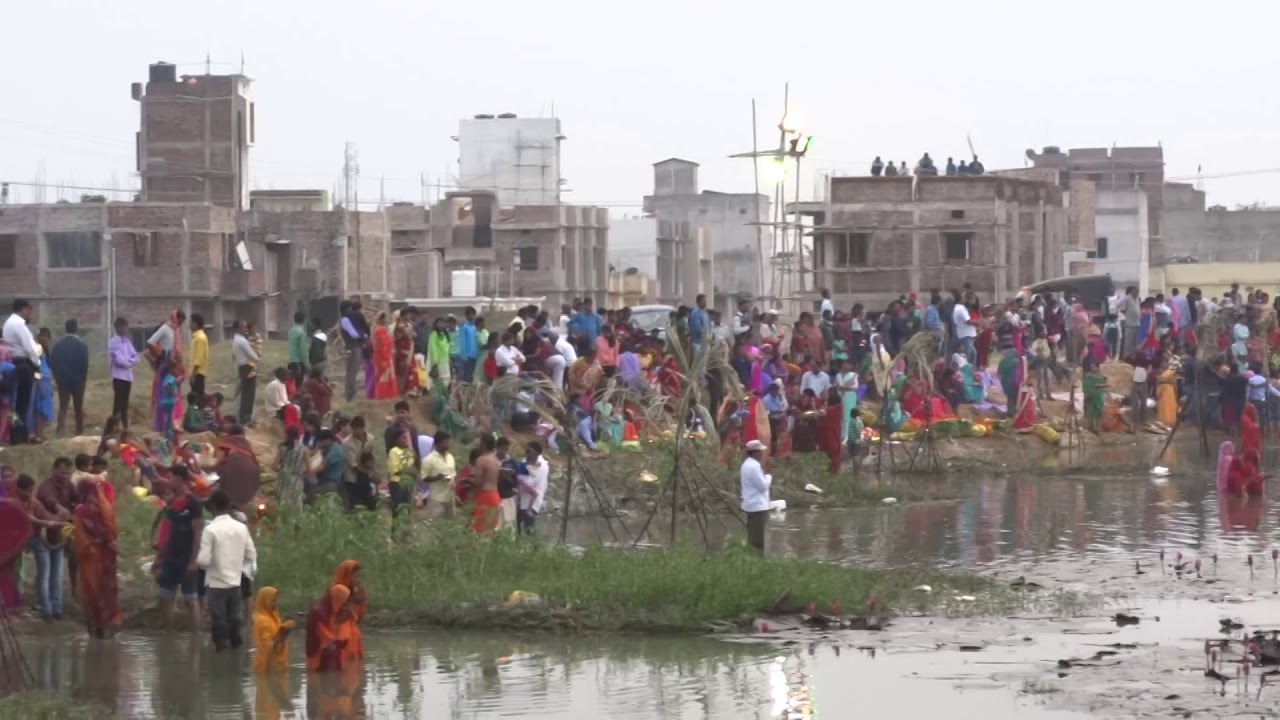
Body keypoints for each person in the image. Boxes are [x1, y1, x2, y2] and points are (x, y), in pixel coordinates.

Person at [197, 489, 257, 651]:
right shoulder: (241, 528)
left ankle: (221, 651)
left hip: (216, 582)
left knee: (218, 619)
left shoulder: (210, 530)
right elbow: (251, 554)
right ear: (228, 506)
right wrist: (237, 564)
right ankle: (237, 649)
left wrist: (208, 565)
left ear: (213, 507)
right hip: (235, 581)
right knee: (235, 617)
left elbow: (203, 560)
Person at [7, 474, 65, 615]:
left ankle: (52, 609)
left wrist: (61, 519)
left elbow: (45, 515)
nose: (29, 494)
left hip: (34, 539)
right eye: (26, 491)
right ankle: (44, 608)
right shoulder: (12, 502)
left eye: (31, 491)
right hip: (16, 542)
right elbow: (30, 519)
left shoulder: (33, 502)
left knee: (49, 574)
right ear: (18, 489)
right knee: (16, 574)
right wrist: (51, 523)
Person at [155, 468, 203, 631]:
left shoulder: (194, 503)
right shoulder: (172, 503)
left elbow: (198, 532)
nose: (169, 481)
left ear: (180, 479)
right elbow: (168, 530)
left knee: (190, 600)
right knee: (164, 596)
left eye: (171, 477)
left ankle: (195, 640)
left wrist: (194, 560)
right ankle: (168, 636)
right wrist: (160, 557)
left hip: (187, 557)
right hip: (170, 557)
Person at [4, 300, 40, 444]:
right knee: (23, 404)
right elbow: (30, 347)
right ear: (23, 309)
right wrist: (37, 364)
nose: (30, 314)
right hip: (23, 364)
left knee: (12, 404)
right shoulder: (19, 324)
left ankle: (12, 434)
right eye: (29, 311)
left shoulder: (8, 323)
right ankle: (19, 436)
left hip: (11, 364)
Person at [49, 319, 89, 437]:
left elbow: (53, 363)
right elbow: (84, 365)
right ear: (76, 328)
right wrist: (82, 379)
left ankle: (60, 431)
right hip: (78, 381)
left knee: (63, 407)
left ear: (65, 328)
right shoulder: (82, 346)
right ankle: (79, 431)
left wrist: (57, 378)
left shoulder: (57, 346)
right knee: (78, 407)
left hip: (63, 381)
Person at [305, 584, 352, 672]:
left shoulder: (332, 610)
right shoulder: (318, 613)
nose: (345, 604)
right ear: (337, 599)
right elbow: (327, 639)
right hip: (319, 657)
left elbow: (339, 639)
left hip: (329, 653)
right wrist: (339, 623)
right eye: (344, 601)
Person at [253, 586, 296, 674]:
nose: (277, 603)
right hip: (267, 670)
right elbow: (269, 648)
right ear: (265, 601)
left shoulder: (274, 616)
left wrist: (284, 631)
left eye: (277, 600)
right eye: (273, 601)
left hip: (279, 666)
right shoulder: (261, 621)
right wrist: (283, 632)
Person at [331, 560, 366, 664]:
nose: (358, 580)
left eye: (360, 577)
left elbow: (358, 618)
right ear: (346, 576)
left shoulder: (356, 592)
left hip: (353, 635)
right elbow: (334, 617)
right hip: (340, 637)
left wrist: (361, 602)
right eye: (355, 577)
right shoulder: (336, 591)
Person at [107, 318, 139, 430]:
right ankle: (114, 427)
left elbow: (136, 357)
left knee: (125, 404)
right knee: (118, 405)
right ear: (117, 327)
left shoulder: (127, 342)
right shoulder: (113, 343)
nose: (125, 329)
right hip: (118, 377)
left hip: (128, 377)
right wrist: (129, 362)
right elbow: (119, 361)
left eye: (126, 326)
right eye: (123, 327)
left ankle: (125, 427)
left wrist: (129, 361)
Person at [740, 440, 771, 553]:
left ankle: (750, 559)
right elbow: (763, 486)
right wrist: (768, 476)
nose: (762, 454)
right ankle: (757, 561)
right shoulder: (754, 467)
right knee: (757, 539)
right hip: (758, 507)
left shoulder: (747, 464)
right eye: (760, 452)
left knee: (753, 536)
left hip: (751, 505)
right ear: (756, 453)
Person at [516, 441, 549, 535]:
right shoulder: (527, 461)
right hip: (523, 499)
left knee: (528, 530)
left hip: (531, 502)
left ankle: (533, 548)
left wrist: (518, 478)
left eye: (528, 450)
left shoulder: (541, 465)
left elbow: (530, 482)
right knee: (519, 528)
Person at [273, 426, 307, 516]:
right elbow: (309, 469)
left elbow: (274, 466)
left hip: (283, 480)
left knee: (282, 503)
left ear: (287, 435)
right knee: (295, 505)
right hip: (297, 481)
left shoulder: (282, 448)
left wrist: (282, 470)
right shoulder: (304, 449)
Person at [471, 434, 502, 533]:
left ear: (483, 445)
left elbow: (478, 482)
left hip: (485, 496)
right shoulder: (496, 460)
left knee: (478, 528)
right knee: (489, 528)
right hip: (495, 495)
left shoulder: (482, 460)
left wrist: (472, 494)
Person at [422, 431, 457, 517]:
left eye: (449, 442)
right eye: (446, 442)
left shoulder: (450, 457)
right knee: (437, 526)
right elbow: (423, 478)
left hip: (450, 498)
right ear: (439, 443)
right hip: (436, 500)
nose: (448, 444)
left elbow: (453, 475)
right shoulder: (429, 460)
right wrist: (436, 478)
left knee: (450, 526)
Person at [232, 321, 259, 425]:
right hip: (248, 367)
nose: (245, 329)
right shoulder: (242, 341)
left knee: (245, 392)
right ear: (237, 328)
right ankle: (246, 417)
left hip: (242, 367)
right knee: (249, 393)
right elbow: (252, 355)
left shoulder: (236, 339)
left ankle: (243, 416)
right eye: (243, 327)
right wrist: (257, 357)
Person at [371, 311, 398, 399]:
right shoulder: (379, 330)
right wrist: (386, 357)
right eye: (383, 319)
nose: (385, 320)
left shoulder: (381, 329)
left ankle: (388, 394)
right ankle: (383, 394)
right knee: (383, 375)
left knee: (387, 375)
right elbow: (383, 345)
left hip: (386, 355)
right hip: (382, 356)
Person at [427, 317, 452, 389]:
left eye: (443, 323)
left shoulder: (445, 334)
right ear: (436, 324)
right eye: (439, 323)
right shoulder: (434, 334)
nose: (441, 325)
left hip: (445, 361)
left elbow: (447, 348)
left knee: (446, 380)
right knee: (438, 381)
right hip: (437, 361)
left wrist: (449, 359)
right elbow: (433, 348)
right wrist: (435, 362)